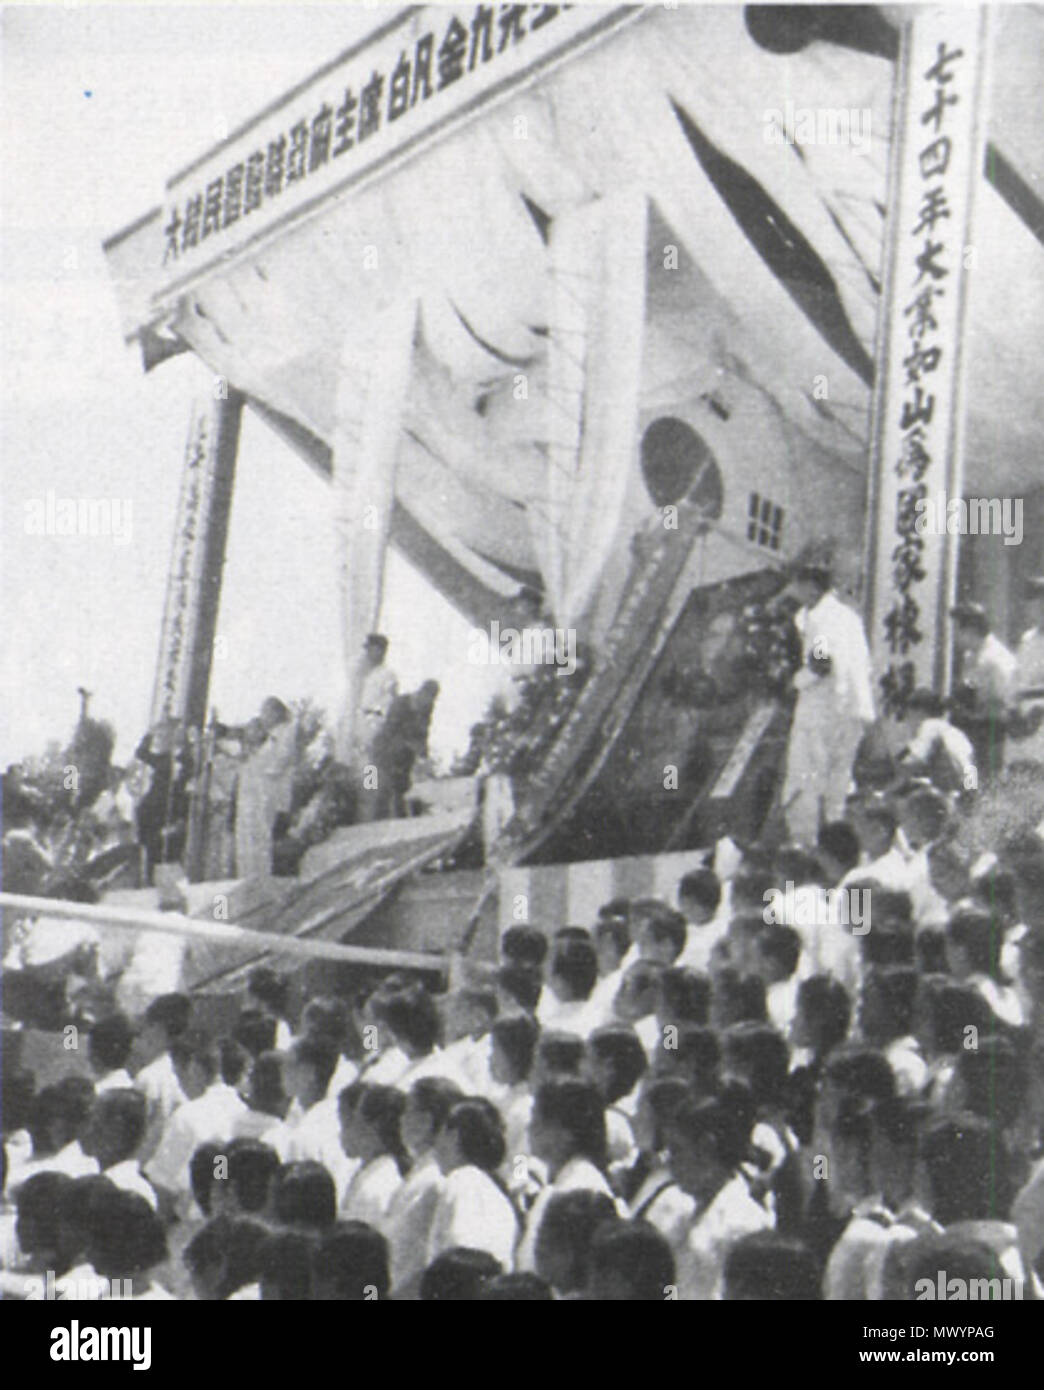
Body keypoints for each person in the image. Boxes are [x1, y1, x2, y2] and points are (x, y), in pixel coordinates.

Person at [778, 559, 875, 844]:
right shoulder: (850, 617)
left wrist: (795, 682)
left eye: (797, 584)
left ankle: (807, 846)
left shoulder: (819, 617)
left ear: (810, 585)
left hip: (822, 711)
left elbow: (822, 662)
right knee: (838, 787)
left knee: (806, 781)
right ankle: (839, 846)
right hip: (853, 711)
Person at [949, 602, 1017, 781]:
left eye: (957, 630)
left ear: (970, 629)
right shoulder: (971, 656)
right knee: (969, 780)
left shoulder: (997, 658)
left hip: (992, 733)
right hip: (971, 730)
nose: (954, 637)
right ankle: (971, 802)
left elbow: (1008, 701)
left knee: (989, 783)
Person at [235, 697, 296, 879]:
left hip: (272, 798)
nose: (262, 717)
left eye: (265, 712)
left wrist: (252, 763)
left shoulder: (286, 733)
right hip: (260, 797)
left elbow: (277, 764)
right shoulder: (273, 737)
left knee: (263, 845)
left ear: (276, 713)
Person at [372, 680, 440, 819]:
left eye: (432, 699)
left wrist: (423, 755)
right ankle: (373, 823)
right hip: (380, 753)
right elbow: (389, 732)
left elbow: (423, 734)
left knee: (402, 789)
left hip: (403, 758)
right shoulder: (400, 703)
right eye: (427, 697)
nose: (427, 703)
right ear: (421, 693)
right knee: (375, 789)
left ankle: (401, 823)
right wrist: (409, 744)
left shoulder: (427, 709)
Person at [352, 634, 399, 819]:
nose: (368, 653)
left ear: (380, 650)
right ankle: (366, 811)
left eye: (371, 649)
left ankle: (373, 814)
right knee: (363, 770)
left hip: (376, 722)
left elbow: (390, 703)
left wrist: (379, 731)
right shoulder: (365, 676)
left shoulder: (387, 675)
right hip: (363, 722)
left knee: (372, 771)